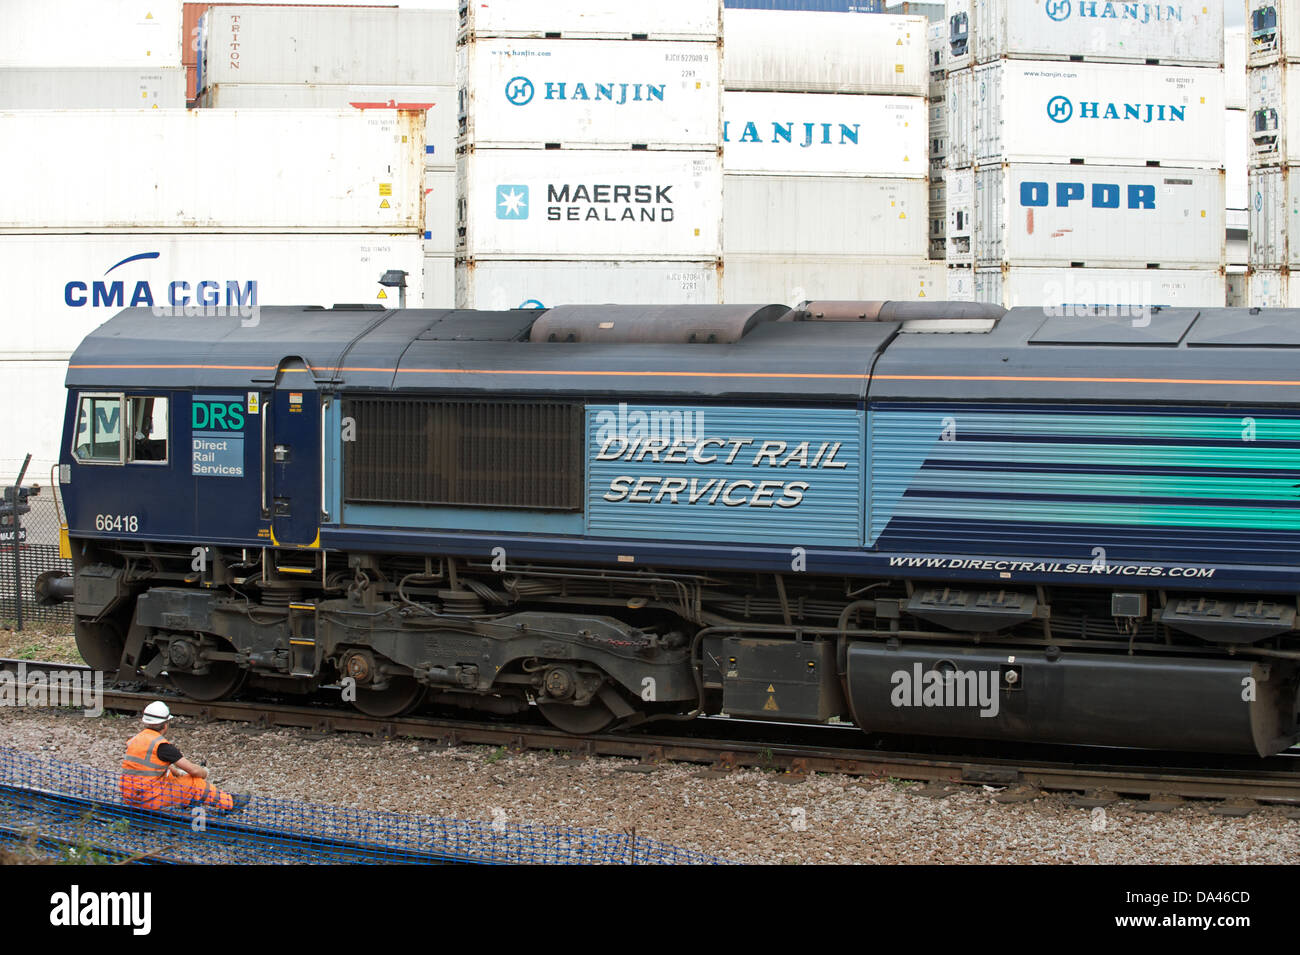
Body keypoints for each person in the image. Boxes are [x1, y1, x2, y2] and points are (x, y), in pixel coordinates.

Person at [120, 701, 250, 814]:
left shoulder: (135, 740)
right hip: (147, 800)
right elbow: (193, 771)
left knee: (170, 776)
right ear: (165, 724)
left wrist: (178, 773)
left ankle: (188, 800)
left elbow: (152, 765)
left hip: (129, 797)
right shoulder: (163, 747)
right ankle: (230, 803)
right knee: (194, 782)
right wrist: (203, 772)